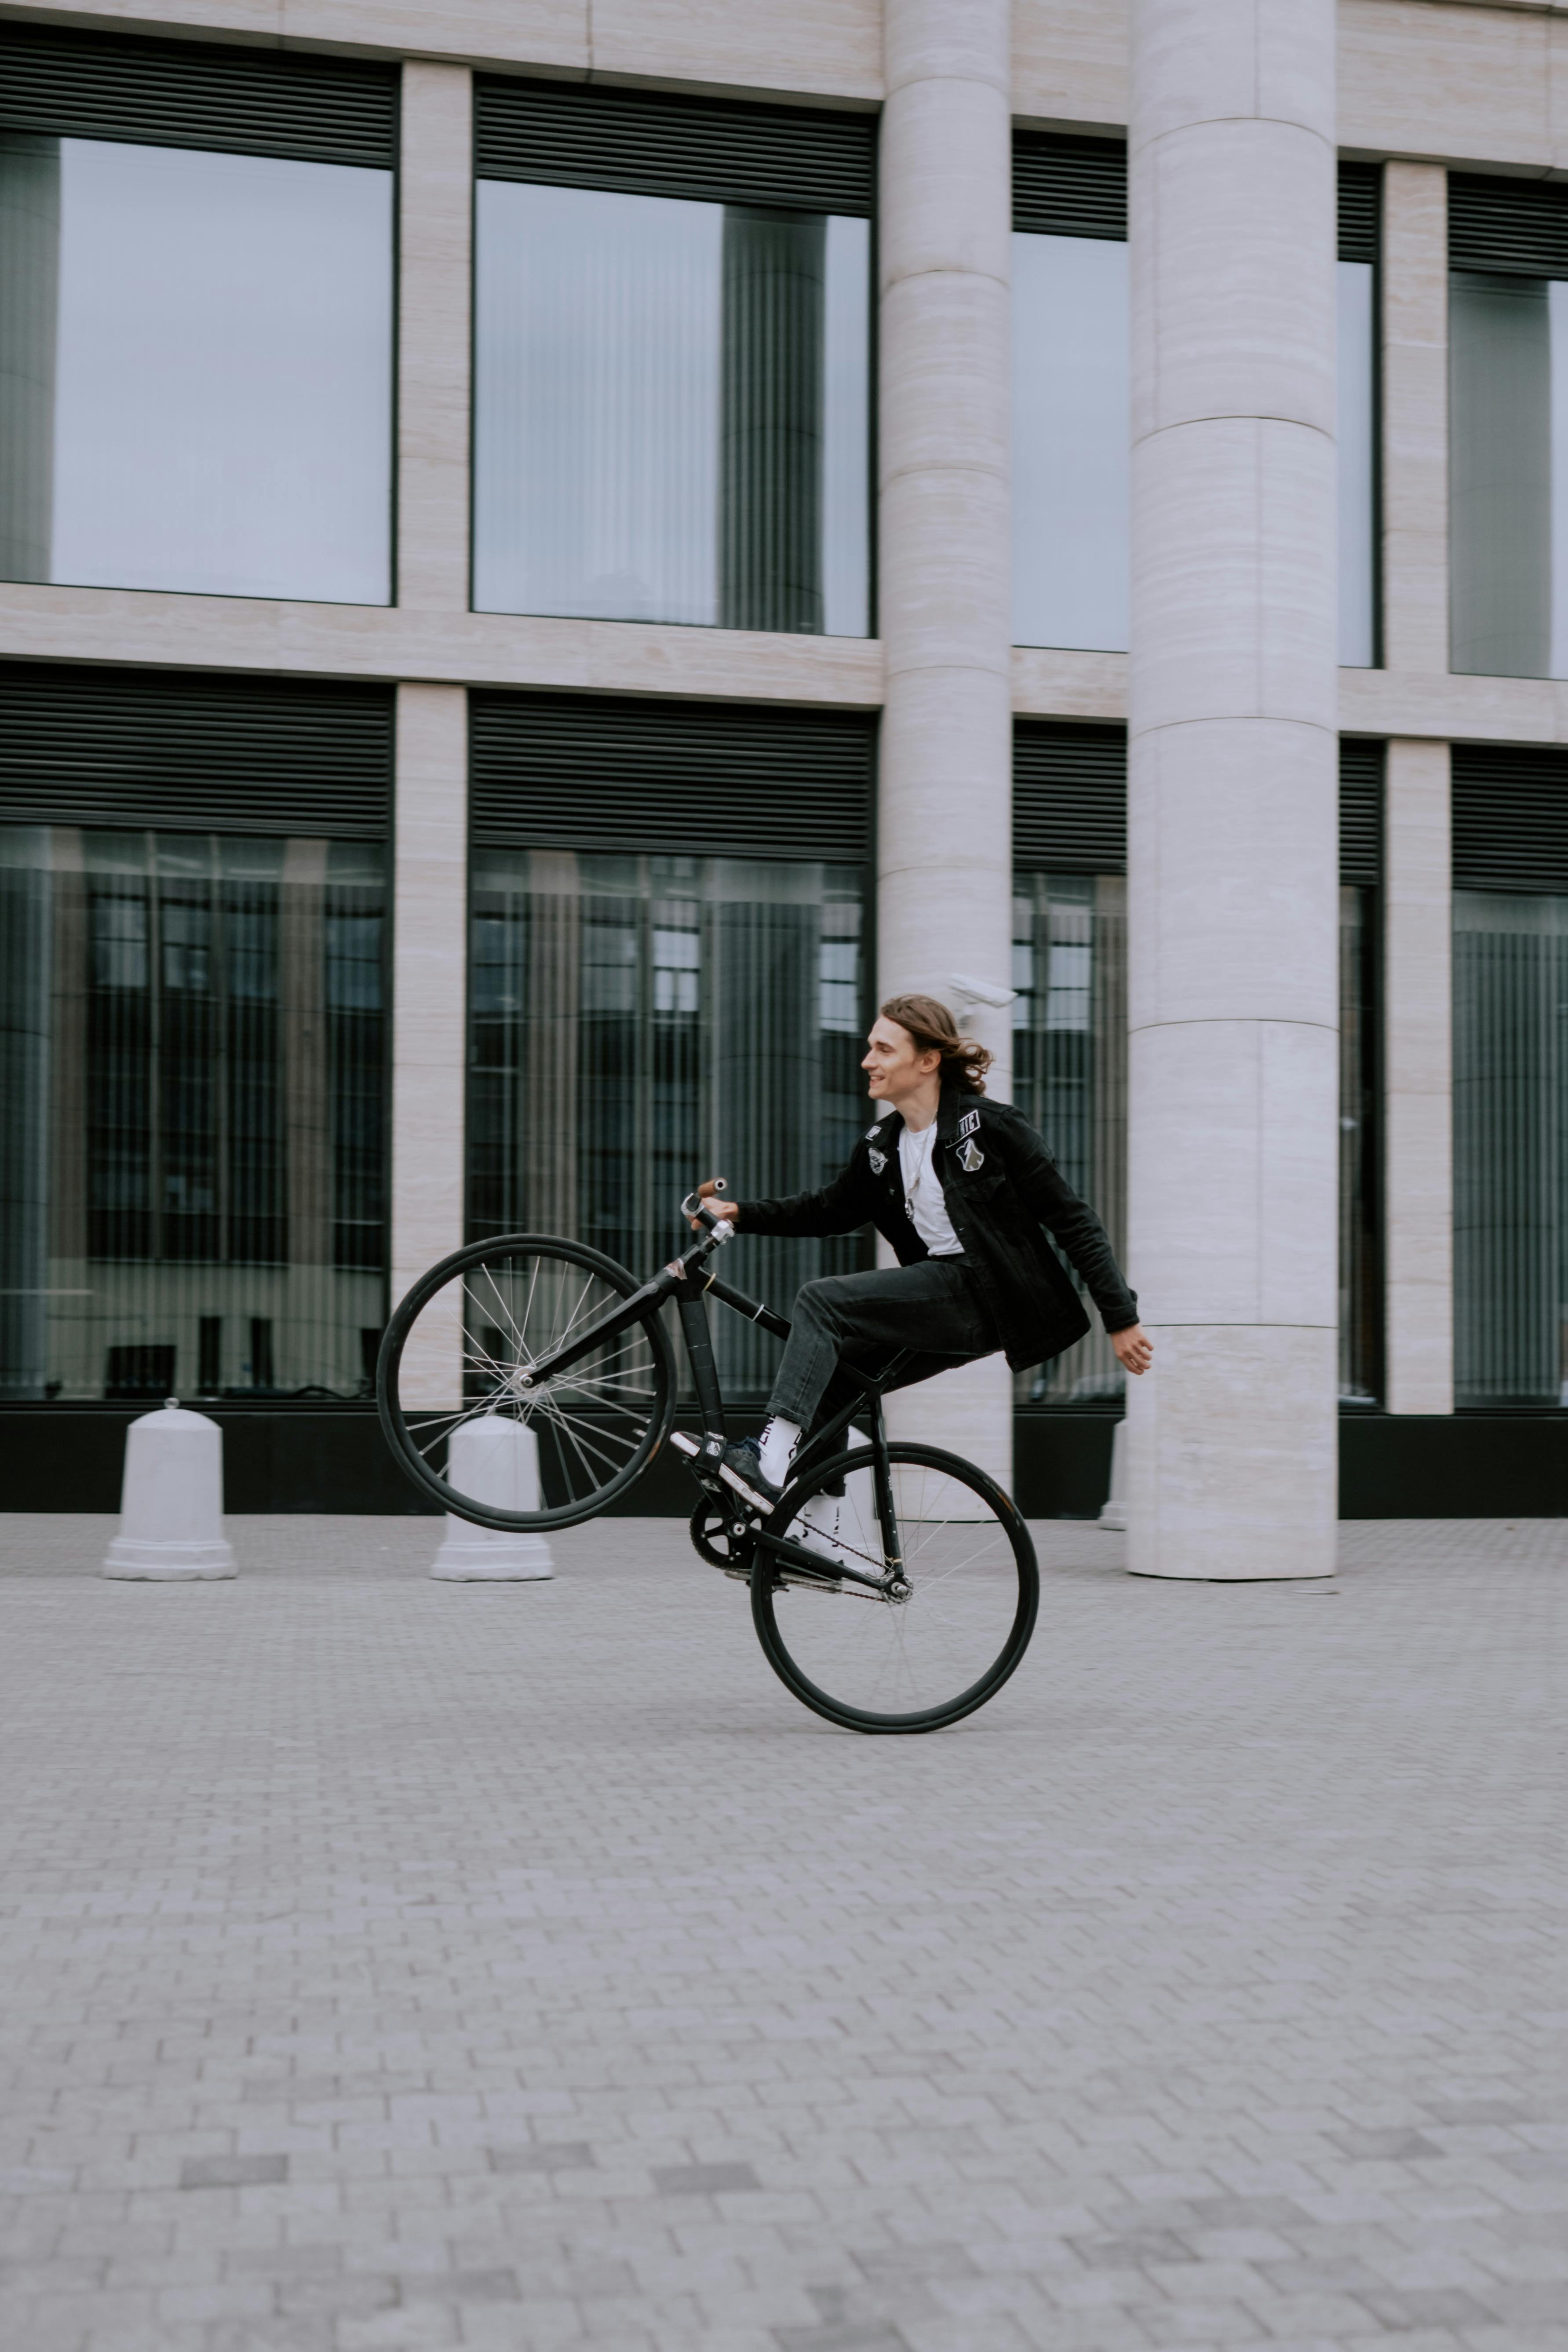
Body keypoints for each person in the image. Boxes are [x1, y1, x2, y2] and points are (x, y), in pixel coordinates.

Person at [696, 992, 1152, 1518]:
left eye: (883, 1050)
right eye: (869, 1048)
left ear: (927, 1061)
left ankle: (769, 1461)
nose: (867, 1061)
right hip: (943, 1300)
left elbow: (1073, 1220)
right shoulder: (882, 1145)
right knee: (838, 1370)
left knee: (820, 1302)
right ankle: (818, 1519)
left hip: (985, 1293)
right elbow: (827, 1210)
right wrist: (740, 1213)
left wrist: (1119, 1317)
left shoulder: (991, 1128)